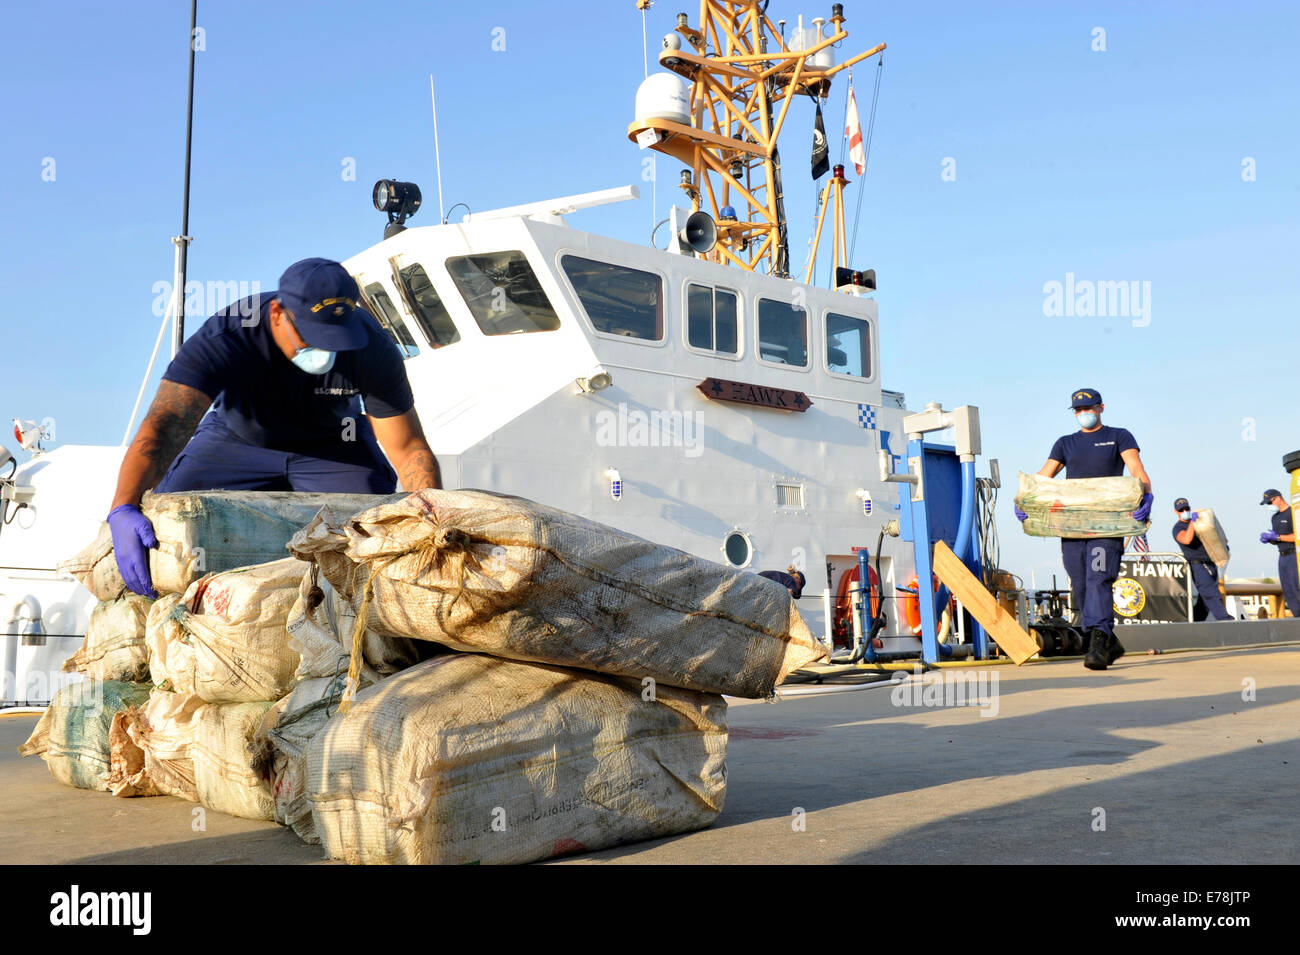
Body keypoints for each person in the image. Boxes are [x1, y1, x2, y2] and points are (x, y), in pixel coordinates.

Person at [107, 258, 442, 599]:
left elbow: (408, 447)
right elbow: (166, 426)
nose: (324, 350)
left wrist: (431, 517)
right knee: (167, 516)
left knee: (374, 527)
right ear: (278, 314)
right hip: (236, 439)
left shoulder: (372, 347)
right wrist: (123, 506)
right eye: (313, 338)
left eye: (335, 340)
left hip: (335, 443)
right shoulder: (229, 334)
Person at [1015, 388, 1153, 670]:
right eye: (1078, 410)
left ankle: (1098, 644)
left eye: (1088, 408)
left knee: (1098, 578)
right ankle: (1109, 642)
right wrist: (1023, 499)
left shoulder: (1119, 435)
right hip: (1073, 526)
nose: (1083, 414)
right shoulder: (1065, 443)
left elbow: (1136, 468)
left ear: (1101, 407)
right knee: (1079, 582)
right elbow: (1044, 476)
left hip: (1106, 525)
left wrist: (1147, 494)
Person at [1171, 497, 1232, 621]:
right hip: (1198, 565)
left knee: (1204, 602)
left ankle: (1194, 622)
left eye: (1186, 508)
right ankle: (1225, 620)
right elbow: (1186, 539)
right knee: (1211, 594)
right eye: (1181, 509)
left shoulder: (1200, 523)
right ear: (1176, 512)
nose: (1184, 511)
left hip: (1211, 563)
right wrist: (1193, 523)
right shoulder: (1178, 528)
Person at [1259, 488, 1298, 617]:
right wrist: (1270, 539)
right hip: (1282, 557)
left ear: (1277, 498)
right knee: (1288, 591)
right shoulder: (1275, 518)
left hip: (1294, 555)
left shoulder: (1293, 513)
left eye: (1269, 503)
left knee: (1296, 588)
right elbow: (1277, 538)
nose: (1269, 506)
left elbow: (1297, 537)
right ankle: (1297, 617)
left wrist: (1278, 537)